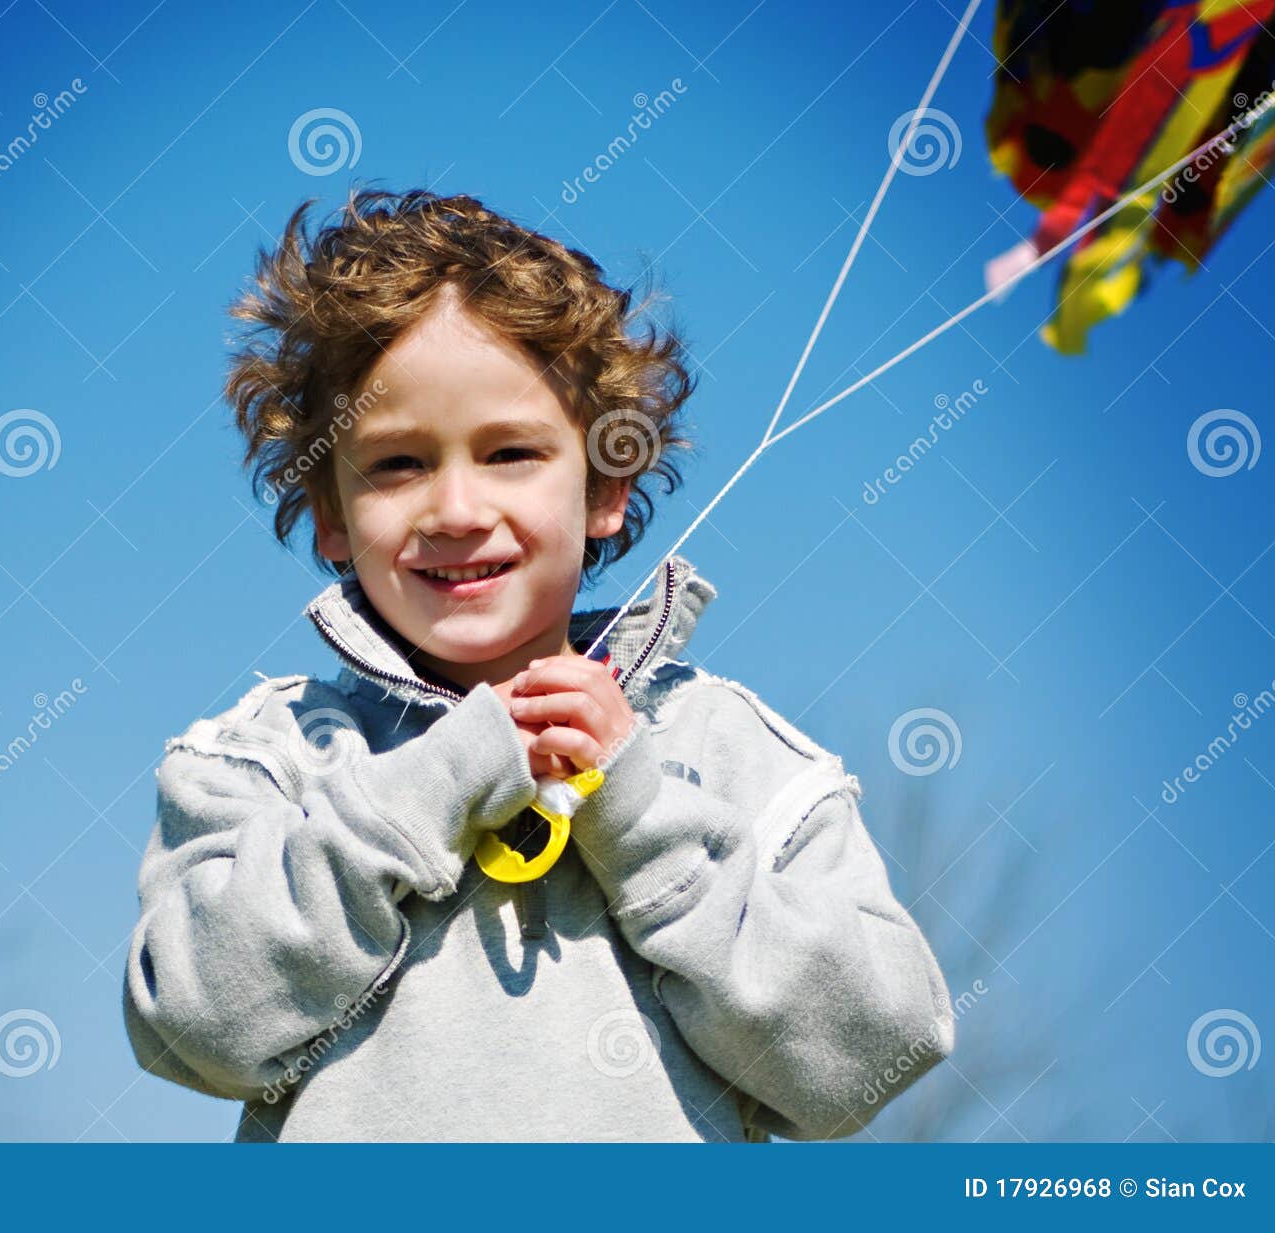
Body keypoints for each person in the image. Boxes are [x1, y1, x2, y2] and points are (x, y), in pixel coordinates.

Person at [121, 187, 954, 1141]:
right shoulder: (271, 758)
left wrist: (638, 812)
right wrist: (427, 787)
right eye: (397, 464)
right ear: (328, 511)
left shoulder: (733, 757)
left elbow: (870, 1055)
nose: (457, 509)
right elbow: (196, 1027)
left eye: (511, 452)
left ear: (605, 487)